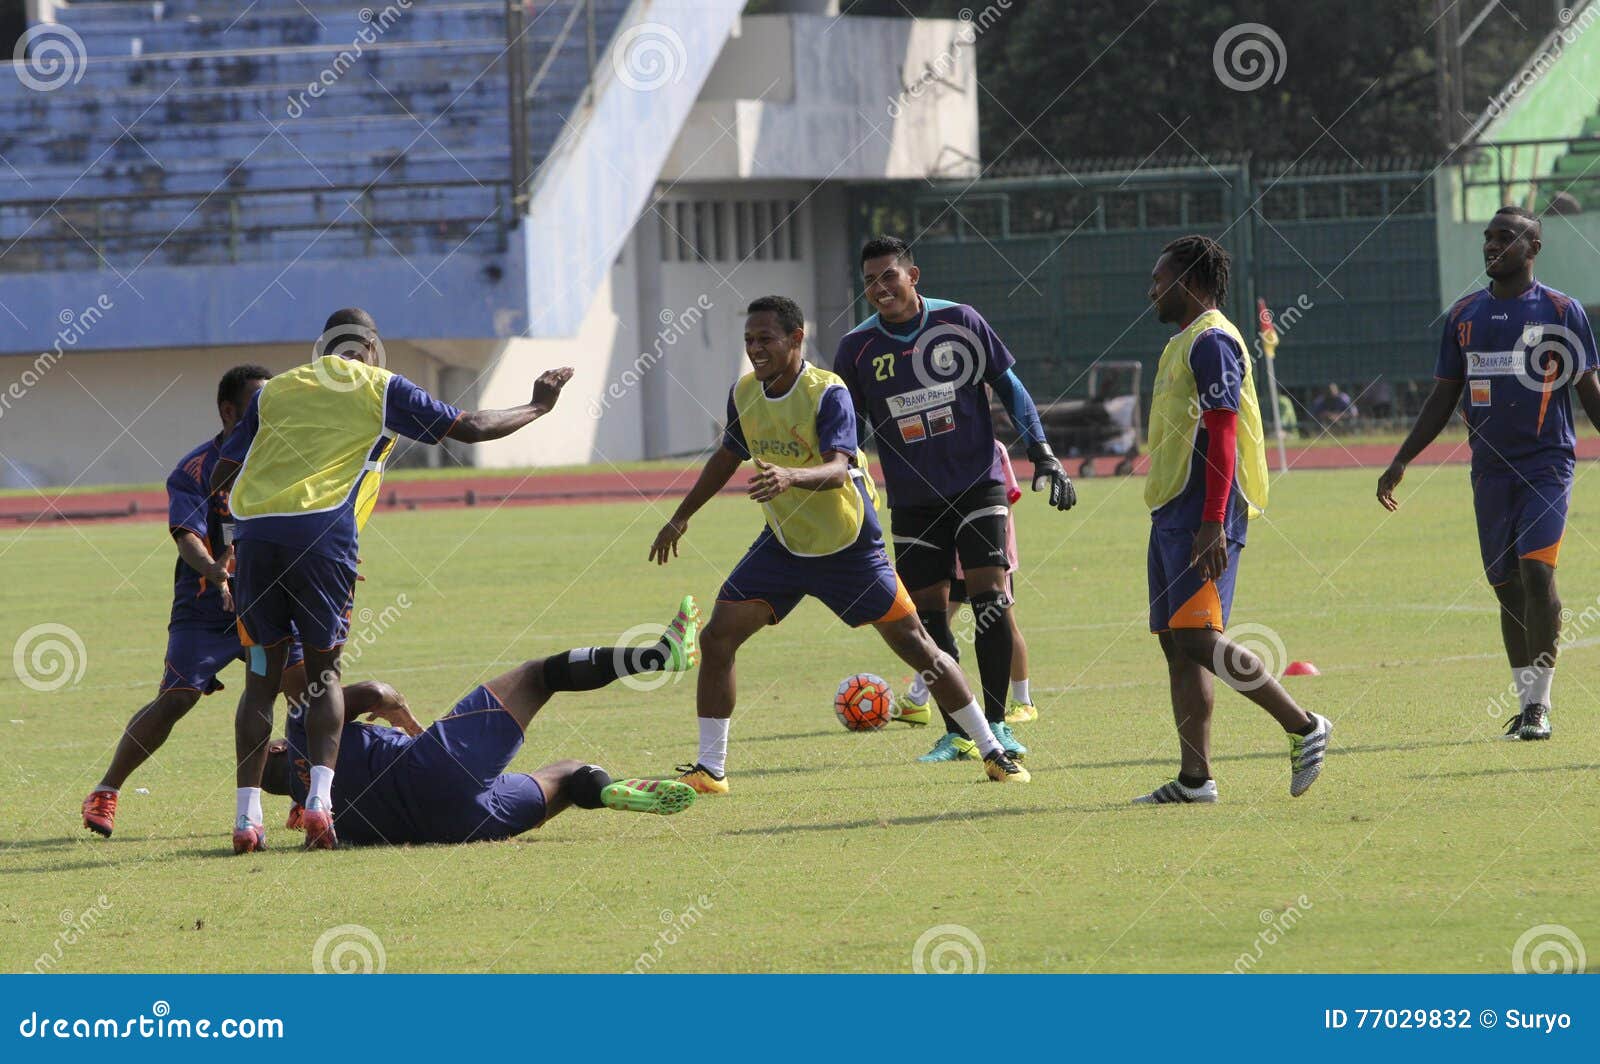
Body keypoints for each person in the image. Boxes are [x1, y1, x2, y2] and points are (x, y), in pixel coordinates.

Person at [212, 306, 575, 852]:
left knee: (260, 679)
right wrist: (538, 405)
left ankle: (246, 821)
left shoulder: (277, 391)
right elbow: (470, 429)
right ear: (372, 350)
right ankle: (318, 807)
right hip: (321, 539)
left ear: (321, 348)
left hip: (256, 538)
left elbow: (221, 469)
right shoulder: (378, 386)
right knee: (323, 678)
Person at [648, 295, 1029, 793]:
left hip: (849, 547)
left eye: (766, 339)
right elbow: (727, 455)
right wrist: (680, 516)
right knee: (717, 638)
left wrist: (789, 475)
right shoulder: (744, 393)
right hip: (784, 546)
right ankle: (711, 768)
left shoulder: (828, 393)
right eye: (748, 341)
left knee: (921, 649)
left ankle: (993, 751)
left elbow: (839, 468)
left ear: (796, 339)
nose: (755, 349)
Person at [832, 235, 1074, 764]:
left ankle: (997, 724)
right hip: (913, 497)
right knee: (926, 618)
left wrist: (1044, 453)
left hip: (977, 481)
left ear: (912, 276)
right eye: (869, 280)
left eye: (888, 276)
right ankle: (958, 732)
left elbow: (1010, 387)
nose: (879, 288)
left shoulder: (960, 320)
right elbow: (845, 427)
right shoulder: (856, 349)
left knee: (989, 596)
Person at [1378, 205, 1600, 741]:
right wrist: (1402, 458)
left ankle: (1540, 708)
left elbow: (1589, 390)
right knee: (1505, 586)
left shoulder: (1561, 311)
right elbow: (1442, 396)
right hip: (1489, 472)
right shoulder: (1463, 317)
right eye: (1488, 237)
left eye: (1506, 237)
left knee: (1537, 572)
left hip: (1547, 465)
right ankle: (1525, 704)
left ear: (1533, 249)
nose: (1492, 245)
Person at [1136, 235, 1331, 804]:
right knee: (1178, 643)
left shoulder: (1213, 341)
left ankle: (1303, 726)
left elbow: (1221, 435)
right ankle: (1196, 779)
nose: (1151, 289)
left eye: (1160, 279)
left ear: (1190, 284)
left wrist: (1212, 521)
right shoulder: (1183, 342)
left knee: (1199, 636)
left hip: (1205, 510)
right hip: (1174, 509)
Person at [261, 597, 703, 844]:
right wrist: (396, 706)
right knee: (537, 675)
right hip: (435, 765)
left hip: (456, 826)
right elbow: (375, 691)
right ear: (277, 747)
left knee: (567, 775)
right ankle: (659, 654)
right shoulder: (303, 728)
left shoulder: (324, 812)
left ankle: (606, 789)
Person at [80, 366, 308, 838]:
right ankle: (106, 790)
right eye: (258, 405)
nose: (269, 415)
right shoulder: (194, 471)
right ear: (229, 411)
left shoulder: (284, 463)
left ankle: (305, 800)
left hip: (269, 602)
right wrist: (215, 570)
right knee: (177, 698)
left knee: (303, 691)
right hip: (206, 608)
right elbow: (187, 537)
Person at [897, 438, 1036, 763]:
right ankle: (934, 711)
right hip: (947, 555)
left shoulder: (993, 448)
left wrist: (1000, 549)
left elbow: (1007, 501)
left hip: (981, 554)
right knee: (932, 626)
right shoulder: (921, 446)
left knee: (1000, 618)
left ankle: (1018, 703)